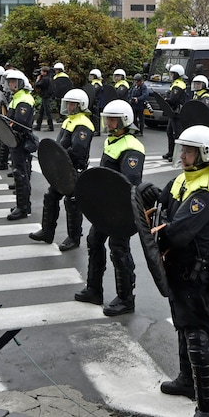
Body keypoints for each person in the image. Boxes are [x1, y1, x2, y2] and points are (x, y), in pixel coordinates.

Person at [139, 125, 209, 417]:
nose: (182, 156)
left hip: (196, 272)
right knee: (183, 325)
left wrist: (158, 229)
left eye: (188, 152)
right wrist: (142, 195)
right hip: (178, 268)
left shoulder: (208, 189)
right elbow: (162, 202)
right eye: (183, 150)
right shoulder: (184, 179)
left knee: (197, 334)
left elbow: (177, 233)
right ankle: (187, 381)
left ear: (204, 154)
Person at [74, 99, 144, 316]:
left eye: (113, 119)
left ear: (124, 120)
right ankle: (94, 290)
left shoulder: (132, 147)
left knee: (119, 248)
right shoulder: (112, 141)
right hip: (106, 207)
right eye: (108, 119)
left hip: (120, 210)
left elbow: (127, 182)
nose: (108, 123)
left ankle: (126, 299)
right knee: (94, 241)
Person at [29, 89, 93, 252]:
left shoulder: (83, 124)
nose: (69, 106)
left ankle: (74, 238)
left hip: (74, 169)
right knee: (51, 197)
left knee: (72, 203)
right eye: (68, 103)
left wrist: (59, 156)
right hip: (62, 167)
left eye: (72, 104)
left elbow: (77, 150)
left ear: (81, 106)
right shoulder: (69, 120)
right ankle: (47, 232)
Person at [4, 69, 37, 221]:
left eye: (14, 82)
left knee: (21, 174)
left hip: (21, 141)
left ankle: (23, 208)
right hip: (16, 141)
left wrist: (7, 126)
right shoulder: (16, 98)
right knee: (20, 173)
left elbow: (19, 123)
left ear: (21, 83)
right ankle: (23, 205)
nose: (11, 84)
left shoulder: (24, 99)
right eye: (10, 81)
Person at [162, 65, 188, 161]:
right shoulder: (176, 83)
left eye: (173, 74)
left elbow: (173, 99)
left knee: (177, 134)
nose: (171, 75)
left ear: (177, 74)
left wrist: (166, 99)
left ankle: (177, 155)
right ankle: (171, 152)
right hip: (173, 112)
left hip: (177, 112)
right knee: (169, 132)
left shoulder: (178, 85)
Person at [34, 67, 55, 131]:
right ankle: (38, 126)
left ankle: (50, 126)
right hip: (46, 96)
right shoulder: (49, 78)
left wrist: (37, 79)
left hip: (46, 96)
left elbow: (37, 85)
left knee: (47, 112)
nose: (41, 72)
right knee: (41, 112)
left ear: (45, 72)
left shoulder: (45, 79)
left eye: (42, 71)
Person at [88, 69, 105, 136]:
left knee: (95, 117)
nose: (90, 77)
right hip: (94, 102)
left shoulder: (96, 84)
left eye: (92, 76)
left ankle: (97, 131)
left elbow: (94, 93)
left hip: (96, 103)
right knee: (92, 116)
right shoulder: (94, 83)